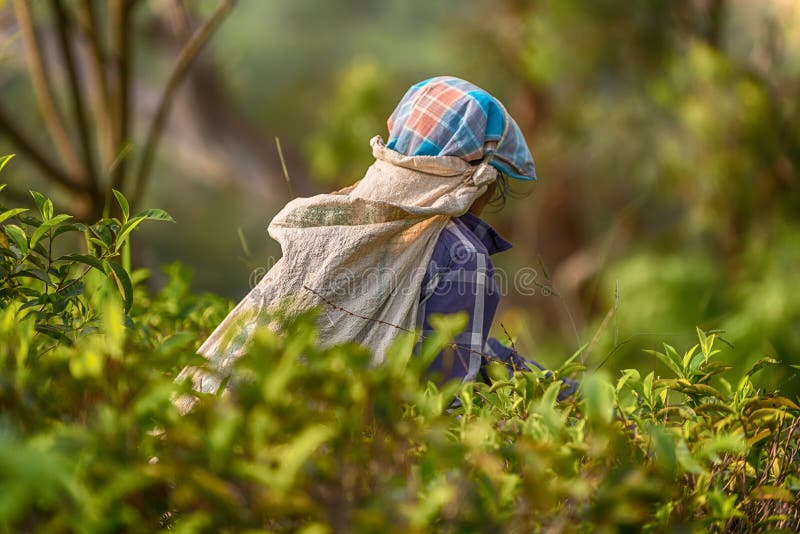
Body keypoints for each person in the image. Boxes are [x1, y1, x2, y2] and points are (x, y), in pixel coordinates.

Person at [178, 76, 574, 402]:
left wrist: (546, 384)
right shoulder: (462, 255)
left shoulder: (342, 214)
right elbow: (448, 396)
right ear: (480, 179)